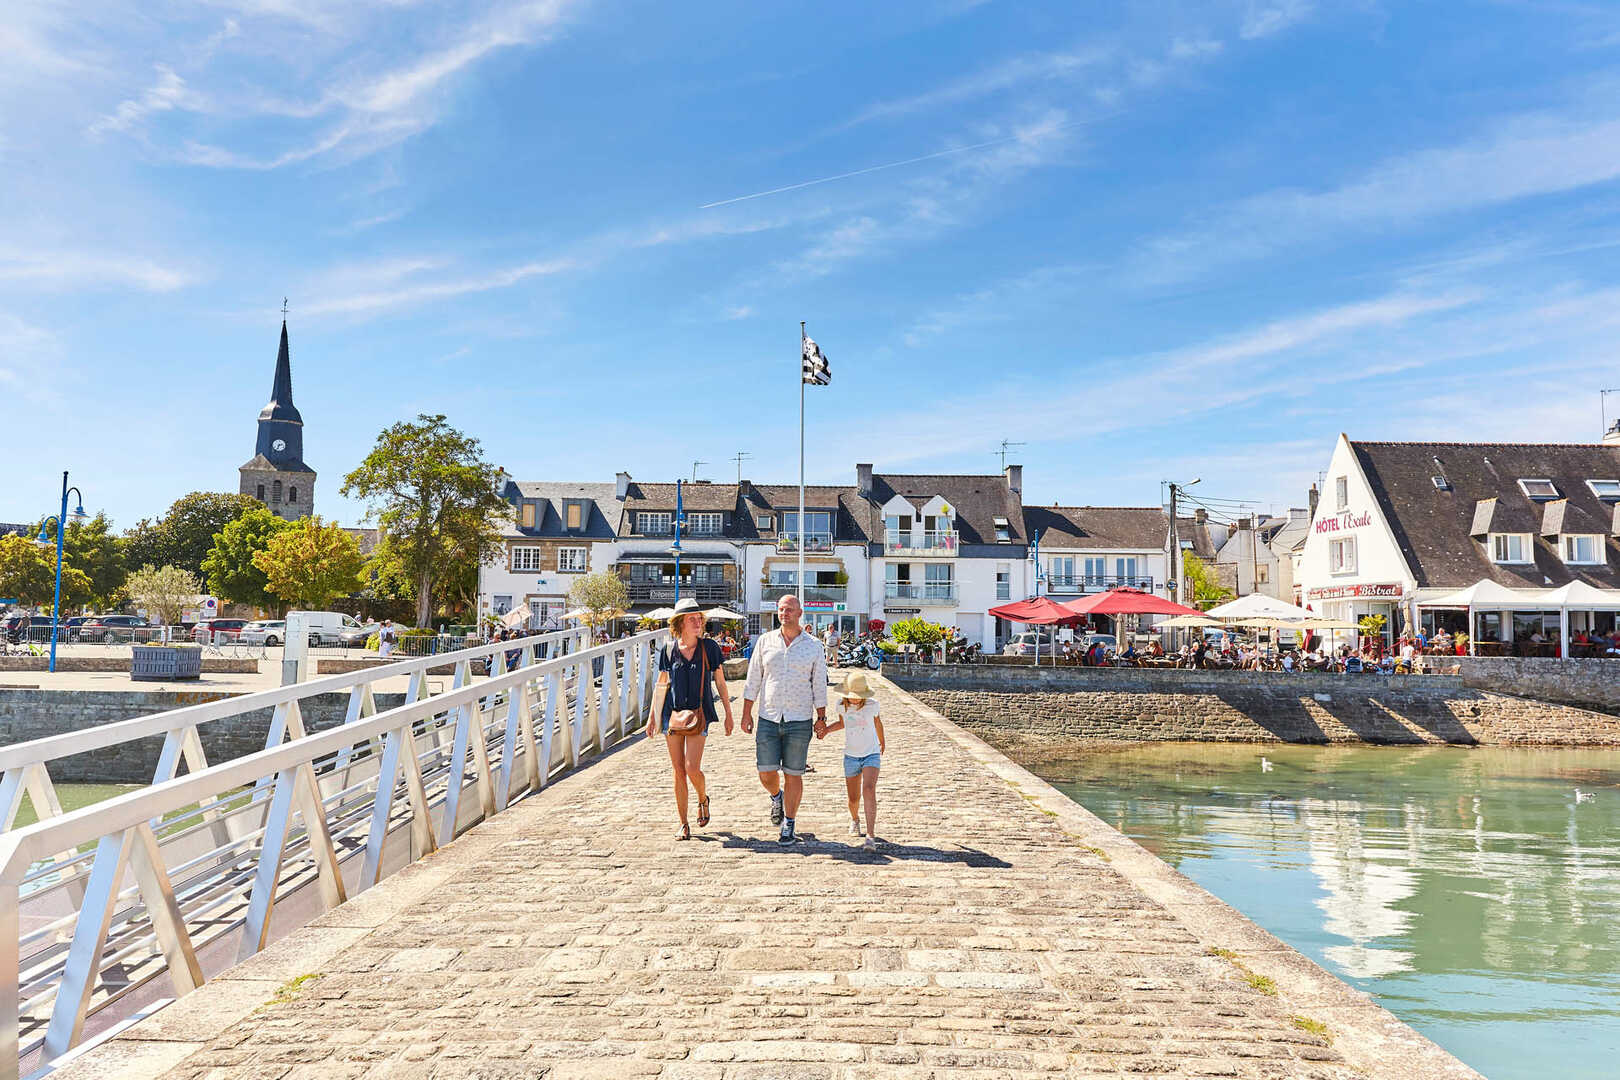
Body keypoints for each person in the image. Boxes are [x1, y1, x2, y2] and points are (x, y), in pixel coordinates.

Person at [741, 594, 827, 843]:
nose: (784, 613)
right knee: (765, 771)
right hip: (768, 716)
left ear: (800, 613)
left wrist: (821, 717)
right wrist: (746, 713)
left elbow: (819, 684)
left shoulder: (814, 646)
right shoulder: (765, 641)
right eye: (781, 609)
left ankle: (789, 823)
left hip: (799, 719)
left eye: (789, 609)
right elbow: (753, 679)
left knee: (793, 773)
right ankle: (776, 796)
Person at [647, 598, 733, 841]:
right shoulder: (668, 650)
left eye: (699, 619)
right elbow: (662, 684)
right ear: (680, 623)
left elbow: (720, 682)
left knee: (691, 767)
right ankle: (683, 823)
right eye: (692, 619)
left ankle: (703, 798)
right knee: (678, 771)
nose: (698, 623)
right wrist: (653, 717)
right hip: (672, 716)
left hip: (700, 714)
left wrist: (728, 713)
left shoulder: (709, 648)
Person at [816, 671, 886, 849]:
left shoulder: (872, 705)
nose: (855, 699)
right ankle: (855, 819)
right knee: (853, 799)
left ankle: (870, 835)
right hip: (851, 757)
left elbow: (877, 723)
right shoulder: (841, 706)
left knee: (869, 789)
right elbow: (842, 723)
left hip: (871, 753)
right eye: (852, 695)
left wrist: (882, 741)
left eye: (858, 695)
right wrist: (826, 731)